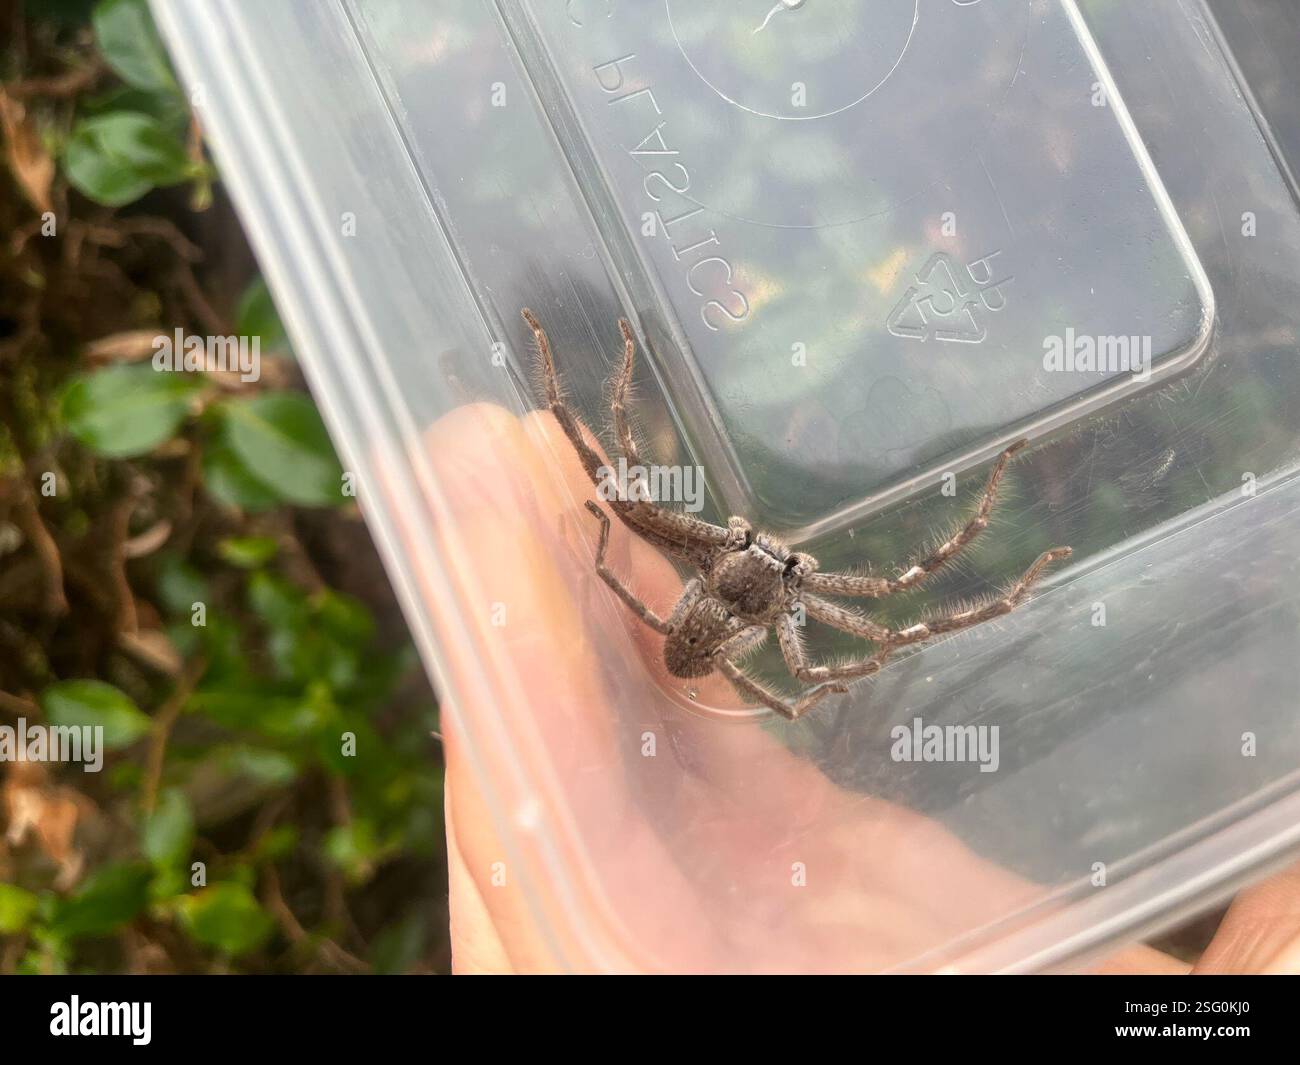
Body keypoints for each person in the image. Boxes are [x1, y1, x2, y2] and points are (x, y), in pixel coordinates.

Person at [423, 402, 1300, 975]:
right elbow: (795, 673)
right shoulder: (739, 600)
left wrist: (808, 683)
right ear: (733, 568)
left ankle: (1018, 559)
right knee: (618, 488)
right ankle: (588, 397)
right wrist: (617, 560)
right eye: (757, 561)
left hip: (698, 634)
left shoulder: (766, 591)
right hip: (690, 637)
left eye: (773, 568)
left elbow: (849, 643)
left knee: (885, 611)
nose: (770, 560)